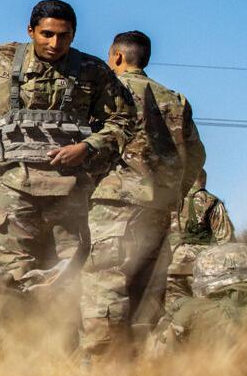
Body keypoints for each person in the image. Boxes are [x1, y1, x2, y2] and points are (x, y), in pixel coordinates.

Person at [0, 0, 135, 284]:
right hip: (12, 184)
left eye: (64, 36)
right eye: (47, 34)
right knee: (10, 274)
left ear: (73, 35)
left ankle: (53, 329)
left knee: (66, 275)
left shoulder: (92, 70)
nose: (55, 43)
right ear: (31, 30)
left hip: (69, 188)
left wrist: (87, 147)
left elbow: (123, 119)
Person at [79, 30, 207, 357]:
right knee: (145, 292)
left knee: (104, 285)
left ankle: (103, 367)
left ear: (116, 56)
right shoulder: (175, 100)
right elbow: (196, 155)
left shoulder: (108, 94)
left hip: (113, 204)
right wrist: (175, 191)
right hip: (159, 208)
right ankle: (137, 367)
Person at [167, 169, 235, 301]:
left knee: (174, 310)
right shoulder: (211, 201)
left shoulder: (168, 201)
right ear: (203, 180)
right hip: (200, 267)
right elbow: (226, 241)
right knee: (201, 310)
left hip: (170, 265)